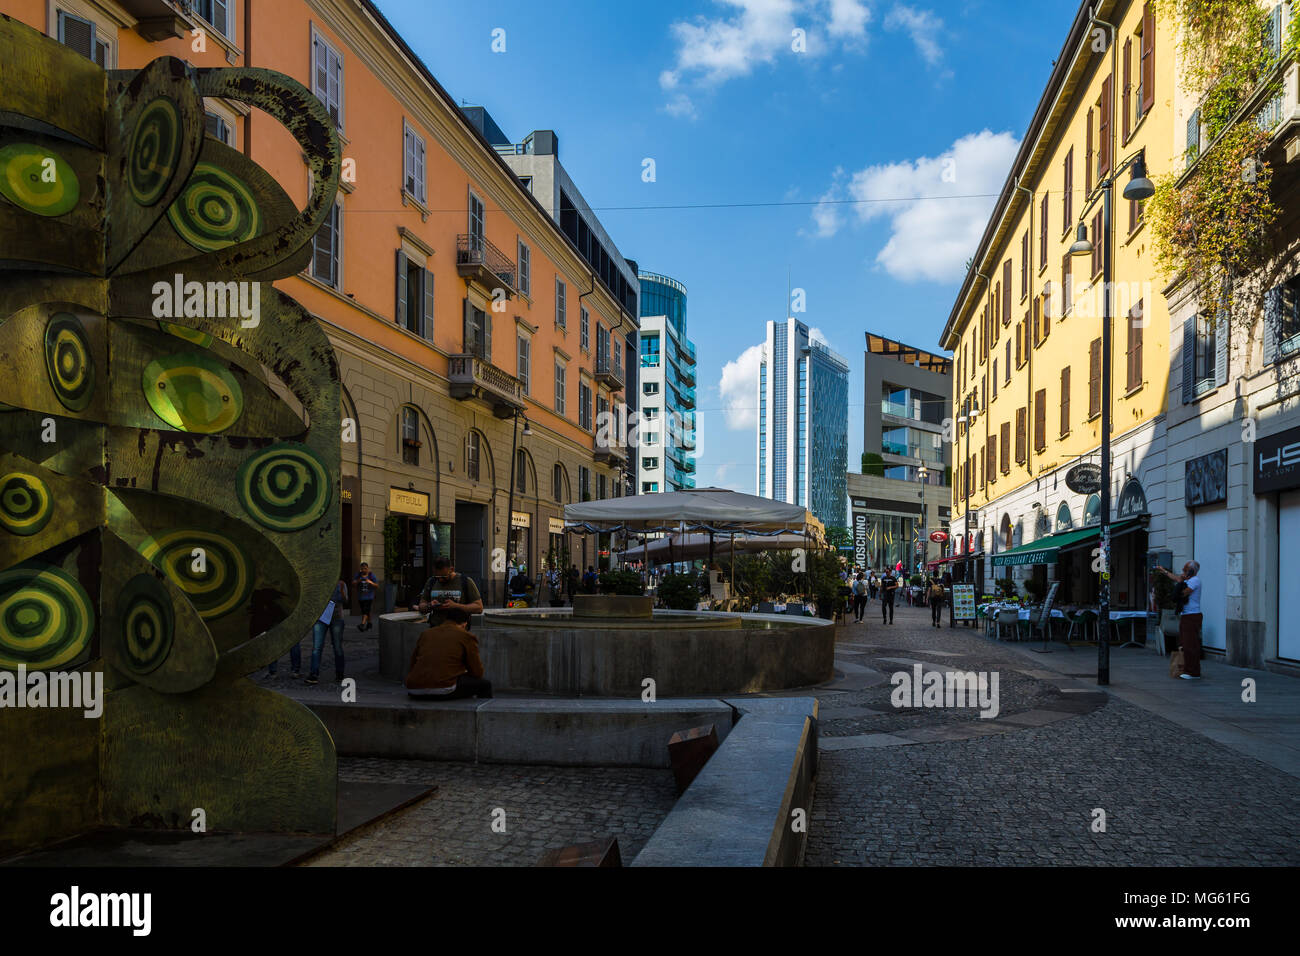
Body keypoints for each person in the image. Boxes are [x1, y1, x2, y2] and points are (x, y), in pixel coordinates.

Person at [405, 606, 493, 699]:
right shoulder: (466, 636)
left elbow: (413, 663)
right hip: (444, 688)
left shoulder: (426, 634)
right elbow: (477, 672)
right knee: (485, 685)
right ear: (464, 624)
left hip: (414, 689)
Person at [1157, 560, 1204, 680]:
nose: (1182, 572)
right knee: (1185, 643)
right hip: (1186, 615)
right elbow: (1177, 579)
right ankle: (1188, 669)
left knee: (1190, 644)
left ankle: (1193, 672)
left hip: (1192, 616)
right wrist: (1164, 571)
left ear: (1191, 571)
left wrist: (1182, 581)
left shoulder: (1195, 581)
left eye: (1185, 569)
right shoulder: (1188, 580)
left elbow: (1182, 594)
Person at [415, 556, 484, 627]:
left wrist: (456, 606)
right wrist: (430, 605)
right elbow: (421, 606)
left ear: (451, 569)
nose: (440, 580)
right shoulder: (431, 582)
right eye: (437, 577)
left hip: (458, 631)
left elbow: (479, 608)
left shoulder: (465, 582)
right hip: (436, 629)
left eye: (443, 577)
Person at [307, 576, 348, 685]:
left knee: (337, 646)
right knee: (317, 647)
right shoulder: (320, 583)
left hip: (336, 618)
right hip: (322, 618)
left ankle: (340, 674)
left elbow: (345, 600)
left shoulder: (341, 584)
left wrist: (342, 591)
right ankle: (313, 674)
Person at [353, 562, 378, 632]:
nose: (364, 570)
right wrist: (359, 580)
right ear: (360, 569)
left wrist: (370, 582)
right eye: (362, 569)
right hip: (361, 597)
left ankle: (362, 624)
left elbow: (377, 585)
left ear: (367, 569)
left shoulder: (371, 575)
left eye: (365, 569)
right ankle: (369, 623)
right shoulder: (358, 575)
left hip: (369, 597)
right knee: (366, 611)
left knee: (366, 610)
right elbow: (353, 584)